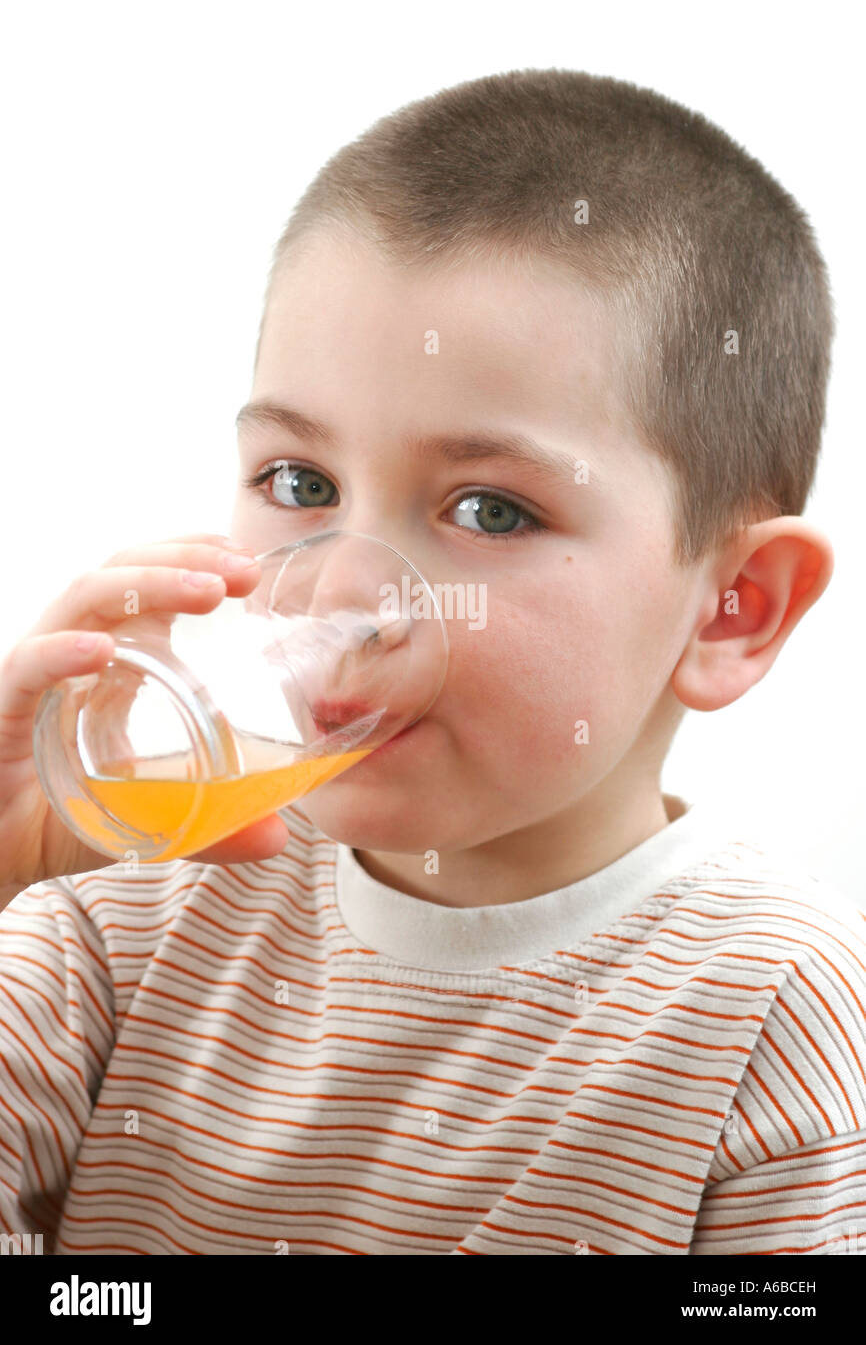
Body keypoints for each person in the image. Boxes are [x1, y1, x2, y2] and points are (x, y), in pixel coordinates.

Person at [1, 68, 863, 1256]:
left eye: (490, 510)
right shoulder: (119, 907)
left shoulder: (772, 1014)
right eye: (299, 484)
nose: (348, 587)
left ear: (730, 608)